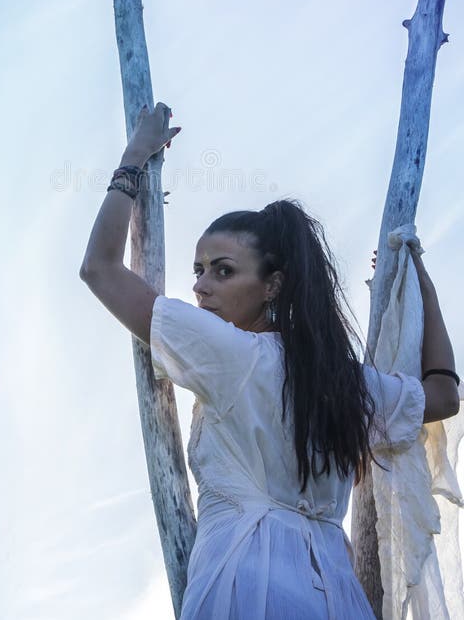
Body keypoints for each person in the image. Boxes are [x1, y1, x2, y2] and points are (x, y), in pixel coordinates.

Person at [79, 102, 460, 619]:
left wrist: (133, 157)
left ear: (272, 285)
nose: (199, 285)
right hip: (337, 598)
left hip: (245, 582)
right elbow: (443, 392)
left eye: (222, 271)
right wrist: (423, 287)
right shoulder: (345, 384)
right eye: (198, 270)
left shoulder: (231, 353)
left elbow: (100, 269)